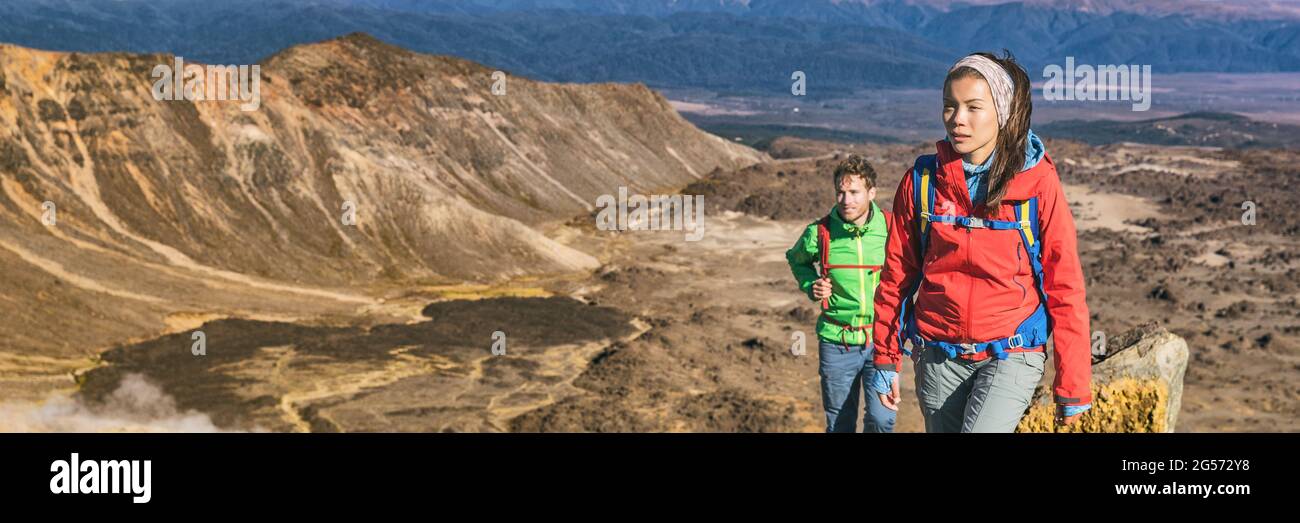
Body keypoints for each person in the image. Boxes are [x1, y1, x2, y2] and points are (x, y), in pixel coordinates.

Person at [869, 51, 1093, 432]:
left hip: (1012, 352)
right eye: (949, 106)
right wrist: (886, 360)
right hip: (937, 355)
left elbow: (1064, 285)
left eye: (974, 107)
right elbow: (896, 277)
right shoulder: (921, 183)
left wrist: (1072, 385)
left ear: (1003, 113)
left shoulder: (1037, 184)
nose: (957, 119)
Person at [786, 155, 895, 433]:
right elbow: (796, 260)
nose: (846, 200)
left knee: (882, 420)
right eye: (841, 192)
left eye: (854, 192)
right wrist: (811, 285)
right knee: (840, 423)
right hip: (837, 343)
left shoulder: (891, 227)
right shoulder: (819, 233)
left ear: (872, 193)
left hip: (881, 341)